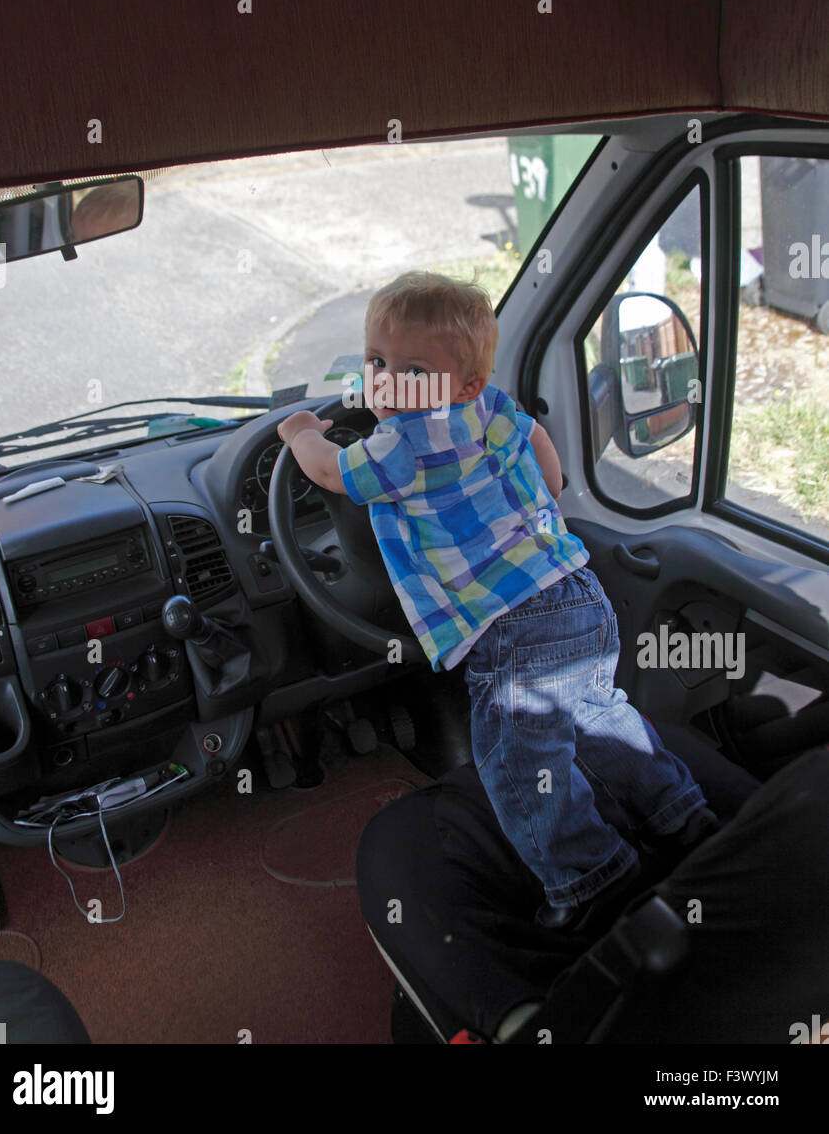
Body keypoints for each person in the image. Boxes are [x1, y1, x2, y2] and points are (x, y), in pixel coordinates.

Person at [277, 270, 717, 935]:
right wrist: (544, 494)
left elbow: (330, 472)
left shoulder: (399, 445)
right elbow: (546, 458)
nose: (387, 384)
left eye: (412, 370)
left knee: (518, 763)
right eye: (376, 363)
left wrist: (301, 432)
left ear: (464, 382)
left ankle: (589, 875)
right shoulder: (493, 407)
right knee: (598, 717)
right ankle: (680, 811)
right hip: (575, 591)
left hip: (517, 630)